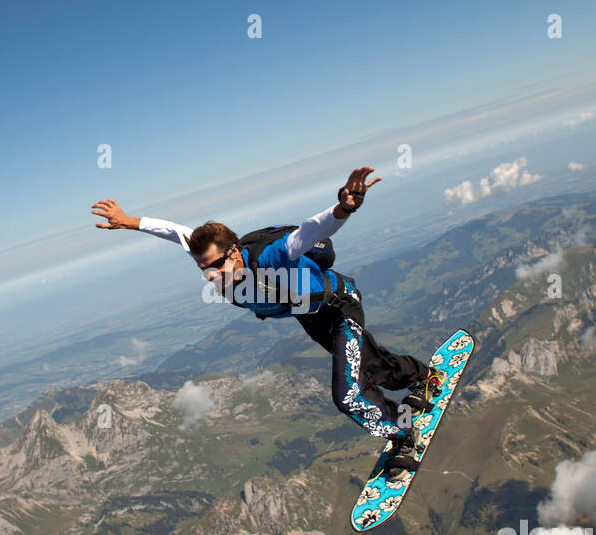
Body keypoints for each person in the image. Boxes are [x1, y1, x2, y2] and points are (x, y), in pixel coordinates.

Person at [92, 167, 443, 479]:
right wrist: (129, 221)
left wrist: (344, 207)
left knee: (349, 395)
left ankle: (403, 436)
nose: (210, 275)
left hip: (339, 309)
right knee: (366, 364)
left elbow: (310, 230)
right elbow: (176, 232)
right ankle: (423, 378)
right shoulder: (216, 260)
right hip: (311, 316)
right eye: (203, 269)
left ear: (234, 251)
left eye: (214, 266)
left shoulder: (273, 256)